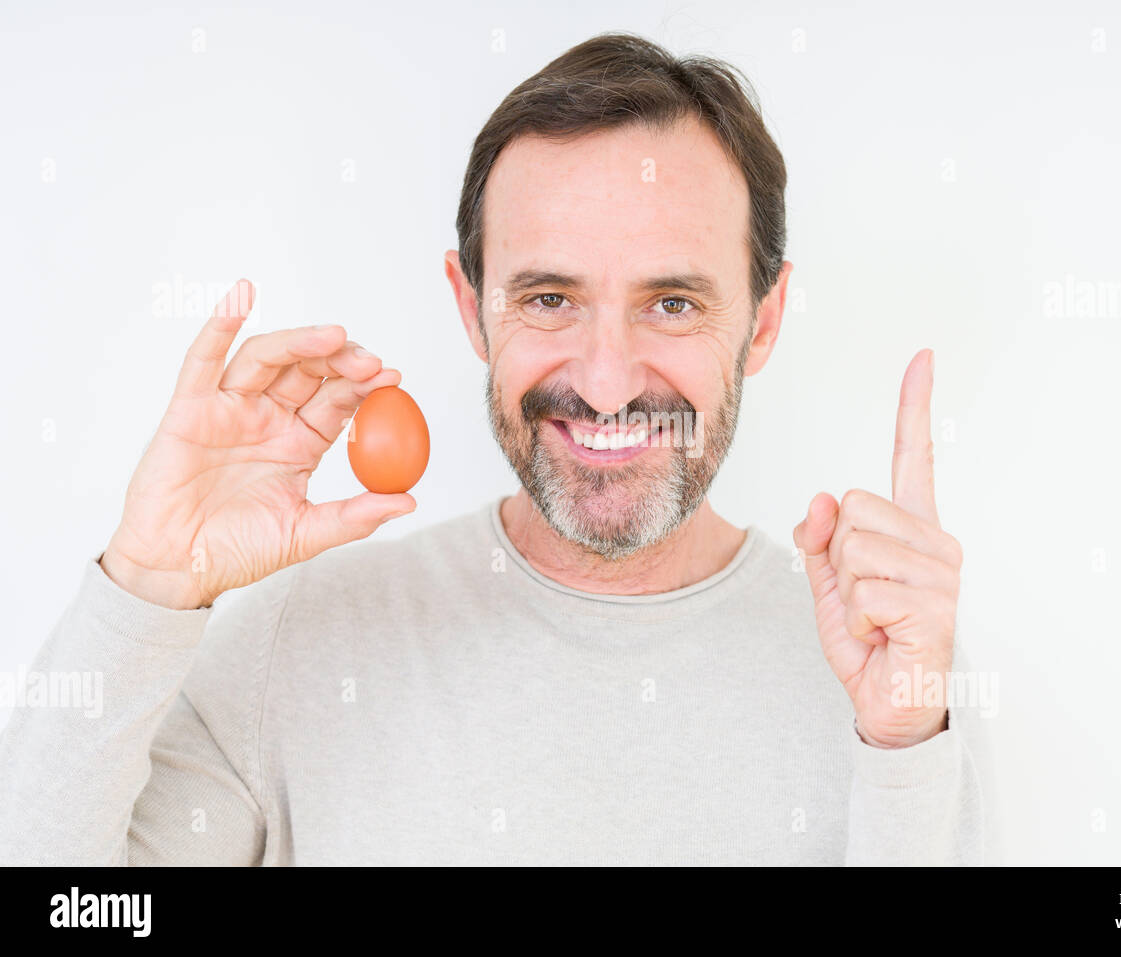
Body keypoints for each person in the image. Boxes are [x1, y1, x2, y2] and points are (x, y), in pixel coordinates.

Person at [0, 32, 990, 865]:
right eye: (549, 298)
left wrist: (903, 751)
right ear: (471, 308)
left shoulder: (876, 675)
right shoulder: (301, 642)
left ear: (762, 322)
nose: (607, 381)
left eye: (672, 302)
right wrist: (144, 588)